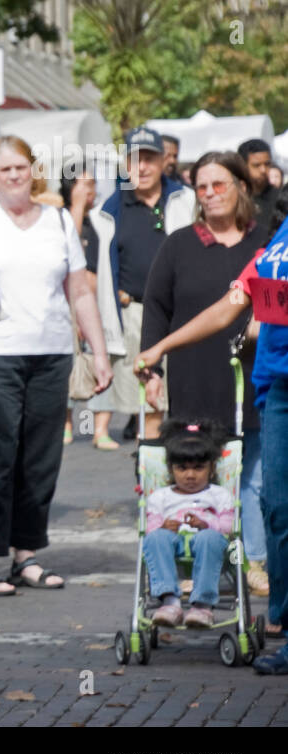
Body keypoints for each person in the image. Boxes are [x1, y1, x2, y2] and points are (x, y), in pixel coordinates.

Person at [136, 188, 288, 672]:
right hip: (278, 388)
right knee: (277, 507)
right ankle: (283, 618)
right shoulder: (278, 242)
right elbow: (231, 307)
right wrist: (161, 348)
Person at [0, 136, 113, 596]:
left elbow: (80, 291)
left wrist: (100, 351)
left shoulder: (59, 220)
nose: (14, 176)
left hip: (51, 352)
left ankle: (26, 554)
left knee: (41, 459)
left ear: (34, 172)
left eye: (21, 168)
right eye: (5, 169)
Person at [140, 151, 267, 596]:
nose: (210, 194)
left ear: (242, 188)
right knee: (198, 472)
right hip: (194, 378)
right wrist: (151, 365)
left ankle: (256, 560)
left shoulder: (266, 242)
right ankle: (196, 558)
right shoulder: (178, 245)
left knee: (253, 477)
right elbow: (156, 309)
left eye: (219, 184)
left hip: (251, 378)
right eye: (202, 187)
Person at [83, 127, 197, 440]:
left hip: (184, 315)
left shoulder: (187, 201)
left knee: (188, 401)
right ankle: (152, 477)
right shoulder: (107, 212)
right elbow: (92, 274)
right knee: (149, 403)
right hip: (134, 314)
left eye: (149, 158)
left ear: (163, 161)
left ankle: (189, 474)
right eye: (135, 160)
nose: (142, 167)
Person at [143, 420, 235, 629]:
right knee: (155, 538)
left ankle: (202, 604)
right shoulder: (161, 497)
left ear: (211, 469)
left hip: (206, 543)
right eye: (182, 468)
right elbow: (150, 528)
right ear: (171, 469)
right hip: (172, 543)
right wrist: (163, 527)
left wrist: (206, 523)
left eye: (198, 468)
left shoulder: (218, 495)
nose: (190, 475)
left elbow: (228, 527)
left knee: (210, 537)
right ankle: (170, 602)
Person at [59, 165, 122, 449]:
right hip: (69, 306)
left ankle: (101, 430)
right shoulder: (61, 219)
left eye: (93, 184)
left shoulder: (99, 220)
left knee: (101, 361)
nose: (90, 190)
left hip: (99, 303)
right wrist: (76, 204)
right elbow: (71, 250)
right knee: (70, 365)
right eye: (83, 184)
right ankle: (67, 425)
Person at [236, 138, 278, 234]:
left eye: (267, 164)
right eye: (256, 165)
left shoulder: (281, 197)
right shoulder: (234, 198)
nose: (263, 170)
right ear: (243, 165)